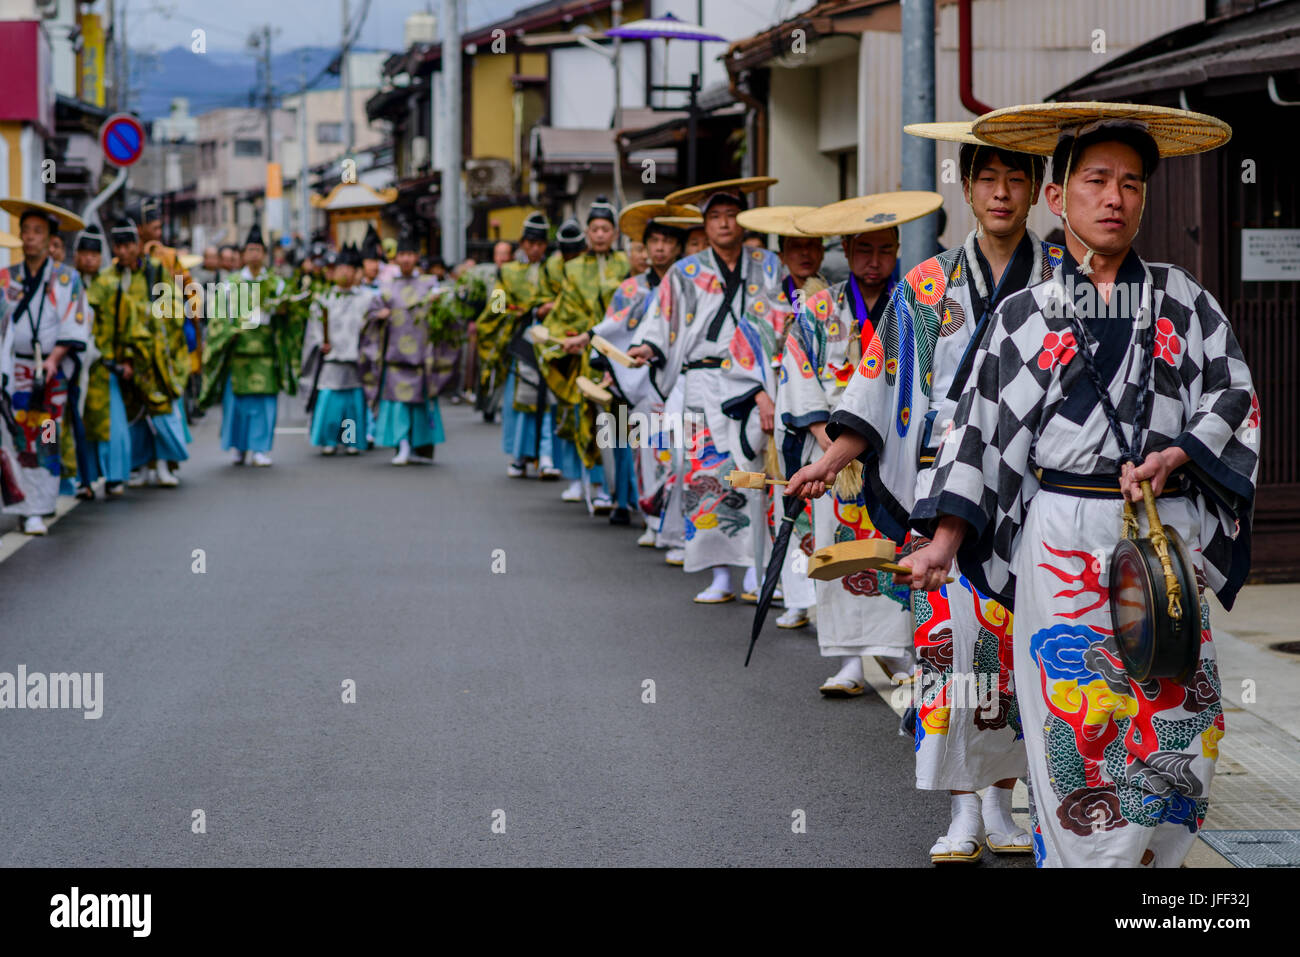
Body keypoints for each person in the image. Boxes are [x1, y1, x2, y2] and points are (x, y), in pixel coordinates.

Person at [792, 104, 1258, 869]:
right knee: (1075, 720)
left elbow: (1233, 395)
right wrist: (943, 538)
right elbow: (981, 434)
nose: (1115, 198)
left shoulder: (1185, 300)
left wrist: (1179, 453)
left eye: (1132, 184)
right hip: (1061, 532)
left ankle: (1155, 866)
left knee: (1180, 720)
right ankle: (1045, 843)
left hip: (1158, 532)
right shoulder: (1019, 314)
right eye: (1097, 180)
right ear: (1061, 196)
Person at [805, 126, 1059, 862]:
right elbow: (879, 381)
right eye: (989, 179)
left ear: (1037, 189)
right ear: (968, 187)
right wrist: (836, 456)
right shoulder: (924, 288)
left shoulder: (1061, 279)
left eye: (1017, 179)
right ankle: (960, 812)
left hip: (1026, 491)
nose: (1002, 193)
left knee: (1014, 650)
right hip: (939, 489)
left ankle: (1003, 803)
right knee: (949, 650)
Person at [627, 176, 795, 604]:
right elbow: (660, 322)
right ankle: (719, 573)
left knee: (756, 472)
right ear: (705, 223)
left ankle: (758, 570)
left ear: (744, 219)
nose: (724, 224)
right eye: (715, 217)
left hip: (757, 380)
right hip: (702, 382)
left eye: (732, 215)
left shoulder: (769, 264)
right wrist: (647, 345)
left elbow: (780, 317)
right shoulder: (686, 271)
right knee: (705, 474)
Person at [734, 205, 830, 628]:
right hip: (782, 418)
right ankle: (794, 598)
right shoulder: (762, 306)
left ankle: (829, 599)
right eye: (797, 247)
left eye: (812, 246)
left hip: (828, 416)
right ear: (783, 252)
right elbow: (738, 361)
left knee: (829, 509)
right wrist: (760, 398)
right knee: (786, 502)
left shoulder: (831, 301)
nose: (805, 254)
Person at [577, 201, 692, 528]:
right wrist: (608, 369)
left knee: (682, 451)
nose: (658, 248)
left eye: (667, 242)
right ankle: (632, 506)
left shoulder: (690, 284)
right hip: (635, 377)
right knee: (639, 449)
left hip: (682, 376)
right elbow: (612, 329)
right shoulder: (630, 288)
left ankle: (680, 524)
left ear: (677, 246)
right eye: (652, 242)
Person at [0, 199, 91, 533]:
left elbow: (75, 322)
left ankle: (43, 504)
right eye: (25, 231)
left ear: (51, 237)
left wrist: (54, 359)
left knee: (47, 437)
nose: (30, 238)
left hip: (51, 372)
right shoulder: (6, 278)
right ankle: (25, 506)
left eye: (38, 232)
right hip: (16, 371)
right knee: (16, 438)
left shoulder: (68, 279)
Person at [540, 197, 629, 512]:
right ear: (587, 233)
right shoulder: (574, 268)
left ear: (616, 233)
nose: (601, 234)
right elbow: (567, 309)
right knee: (588, 421)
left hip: (621, 355)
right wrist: (580, 335)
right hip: (587, 353)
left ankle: (617, 489)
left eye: (606, 228)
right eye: (595, 229)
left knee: (620, 422)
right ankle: (593, 482)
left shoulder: (626, 264)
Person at [200, 223, 296, 467]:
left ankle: (261, 448)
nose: (254, 254)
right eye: (250, 249)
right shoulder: (230, 284)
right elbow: (218, 317)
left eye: (258, 249)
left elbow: (290, 321)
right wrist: (229, 332)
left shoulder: (277, 284)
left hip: (265, 352)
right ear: (243, 254)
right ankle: (239, 448)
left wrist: (285, 314)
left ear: (264, 254)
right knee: (238, 406)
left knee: (264, 404)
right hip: (239, 352)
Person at [82, 218, 152, 499]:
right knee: (80, 426)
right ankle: (83, 480)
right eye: (84, 253)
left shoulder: (110, 285)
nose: (88, 259)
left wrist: (127, 360)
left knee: (115, 426)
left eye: (94, 254)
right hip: (77, 364)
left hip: (106, 364)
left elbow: (126, 325)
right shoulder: (70, 283)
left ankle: (114, 476)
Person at [361, 234, 445, 465]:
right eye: (402, 255)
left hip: (421, 355)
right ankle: (402, 445)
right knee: (398, 406)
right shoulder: (385, 288)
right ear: (396, 258)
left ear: (417, 257)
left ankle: (418, 447)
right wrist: (378, 316)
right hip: (395, 355)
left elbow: (445, 318)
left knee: (419, 404)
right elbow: (368, 316)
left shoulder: (430, 285)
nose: (406, 259)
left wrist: (439, 309)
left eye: (410, 254)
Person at [301, 243, 368, 456]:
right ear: (333, 272)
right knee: (330, 404)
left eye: (349, 269)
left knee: (352, 404)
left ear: (356, 272)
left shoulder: (366, 299)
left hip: (354, 360)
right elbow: (314, 327)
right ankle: (329, 440)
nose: (345, 273)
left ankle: (350, 440)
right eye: (340, 269)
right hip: (332, 359)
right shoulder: (323, 298)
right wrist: (322, 343)